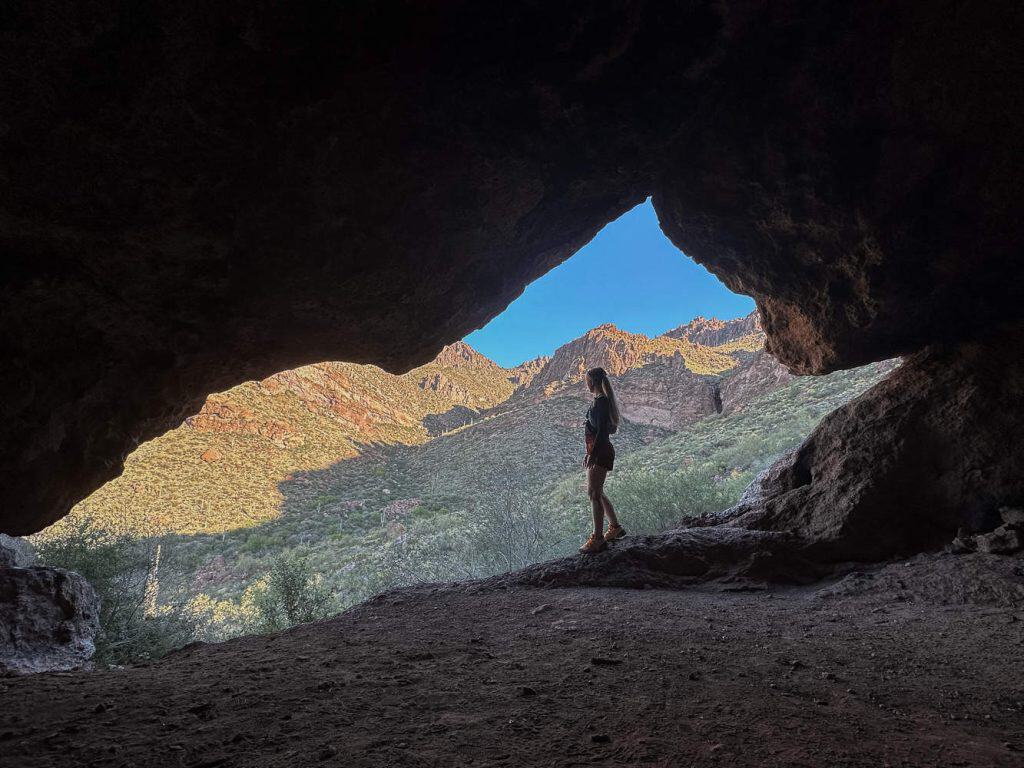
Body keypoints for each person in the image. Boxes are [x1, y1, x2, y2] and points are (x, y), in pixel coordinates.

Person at [579, 366, 626, 553]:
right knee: (597, 492)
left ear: (592, 382)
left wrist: (592, 453)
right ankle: (615, 528)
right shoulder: (600, 401)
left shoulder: (600, 403)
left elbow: (601, 433)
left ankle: (597, 539)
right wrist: (589, 451)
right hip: (600, 451)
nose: (586, 383)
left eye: (587, 380)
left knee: (593, 494)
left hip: (601, 452)